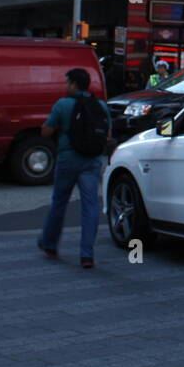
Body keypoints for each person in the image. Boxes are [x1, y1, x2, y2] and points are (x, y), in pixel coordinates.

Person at [38, 68, 112, 268]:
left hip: (68, 160)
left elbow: (46, 131)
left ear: (73, 84)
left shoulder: (63, 104)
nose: (65, 86)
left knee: (59, 202)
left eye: (67, 82)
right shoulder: (101, 106)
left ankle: (50, 244)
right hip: (92, 161)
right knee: (90, 206)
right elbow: (107, 136)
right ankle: (87, 254)